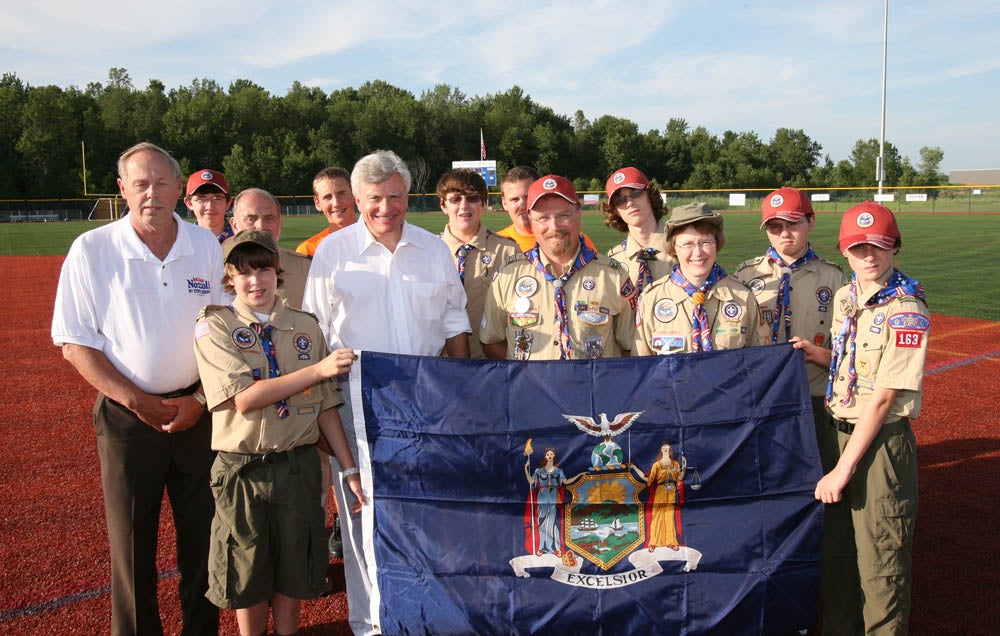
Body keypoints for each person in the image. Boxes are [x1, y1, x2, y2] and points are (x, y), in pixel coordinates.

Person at [52, 142, 222, 635]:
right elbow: (75, 343)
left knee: (204, 541)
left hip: (197, 413)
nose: (152, 194)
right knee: (131, 545)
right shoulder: (93, 248)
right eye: (141, 184)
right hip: (128, 419)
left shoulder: (205, 246)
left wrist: (197, 401)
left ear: (178, 189)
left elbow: (224, 333)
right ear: (122, 189)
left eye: (162, 182)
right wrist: (137, 400)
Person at [302, 150, 471, 636]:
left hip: (428, 405)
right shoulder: (334, 253)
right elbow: (313, 335)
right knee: (363, 523)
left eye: (395, 196)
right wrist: (321, 411)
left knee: (429, 516)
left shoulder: (433, 249)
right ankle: (370, 625)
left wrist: (459, 391)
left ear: (407, 195)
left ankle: (429, 617)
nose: (386, 207)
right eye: (375, 198)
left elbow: (454, 319)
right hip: (356, 406)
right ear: (357, 199)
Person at [193, 230, 366, 636]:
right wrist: (317, 370)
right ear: (229, 278)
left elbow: (325, 405)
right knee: (247, 573)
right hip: (244, 469)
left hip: (298, 465)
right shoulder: (215, 326)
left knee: (295, 569)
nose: (256, 281)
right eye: (245, 272)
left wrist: (348, 468)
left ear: (277, 271)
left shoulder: (305, 326)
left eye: (264, 269)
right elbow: (244, 399)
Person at [793, 202, 928, 635]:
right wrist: (820, 355)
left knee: (880, 567)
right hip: (839, 433)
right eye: (858, 248)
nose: (869, 257)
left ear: (895, 249)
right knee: (837, 560)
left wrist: (840, 470)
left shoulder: (907, 307)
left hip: (879, 448)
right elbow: (855, 368)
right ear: (844, 251)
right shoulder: (848, 295)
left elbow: (884, 397)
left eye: (879, 247)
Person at [481, 175, 636, 361]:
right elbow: (491, 341)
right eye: (543, 218)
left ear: (579, 213)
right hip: (531, 388)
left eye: (563, 215)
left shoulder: (613, 275)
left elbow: (630, 347)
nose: (553, 226)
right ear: (530, 219)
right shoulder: (508, 275)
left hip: (591, 389)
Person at [733, 186, 846, 435]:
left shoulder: (834, 278)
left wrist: (821, 354)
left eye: (793, 224)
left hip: (815, 394)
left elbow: (848, 341)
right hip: (762, 393)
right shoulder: (745, 276)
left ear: (811, 222)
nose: (784, 233)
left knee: (822, 466)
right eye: (775, 227)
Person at [634, 203, 768, 355]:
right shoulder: (651, 298)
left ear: (717, 244)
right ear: (673, 248)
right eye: (687, 244)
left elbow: (760, 360)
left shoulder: (743, 297)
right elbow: (642, 366)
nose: (697, 253)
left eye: (705, 242)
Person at [437, 168, 519, 358]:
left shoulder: (508, 251)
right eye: (455, 199)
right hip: (439, 365)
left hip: (490, 364)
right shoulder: (428, 252)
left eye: (472, 198)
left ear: (483, 203)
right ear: (443, 205)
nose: (464, 206)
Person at [229, 187, 311, 309]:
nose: (261, 226)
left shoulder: (307, 269)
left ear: (280, 223)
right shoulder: (217, 268)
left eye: (269, 218)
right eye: (251, 219)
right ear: (235, 225)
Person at [603, 167, 674, 295]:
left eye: (635, 193)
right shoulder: (614, 260)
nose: (629, 203)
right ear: (615, 211)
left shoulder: (683, 246)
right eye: (620, 200)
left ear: (650, 195)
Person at [497, 166, 597, 253]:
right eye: (515, 199)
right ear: (504, 203)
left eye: (527, 197)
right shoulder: (497, 245)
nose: (523, 205)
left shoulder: (576, 240)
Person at [630, 442, 686, 550]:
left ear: (670, 450)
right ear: (661, 450)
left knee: (669, 516)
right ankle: (653, 543)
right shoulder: (657, 465)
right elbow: (648, 480)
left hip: (671, 491)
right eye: (663, 448)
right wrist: (635, 468)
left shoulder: (675, 464)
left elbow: (679, 478)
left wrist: (684, 465)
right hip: (660, 491)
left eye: (667, 448)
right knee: (657, 517)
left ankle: (671, 542)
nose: (665, 450)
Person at [296, 166, 357, 257]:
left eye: (341, 194)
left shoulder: (378, 238)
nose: (336, 203)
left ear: (354, 194)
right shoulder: (308, 250)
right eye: (327, 197)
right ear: (317, 203)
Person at [185, 168, 234, 242]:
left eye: (217, 198)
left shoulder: (242, 240)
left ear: (228, 203)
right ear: (189, 203)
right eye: (201, 199)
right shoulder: (181, 240)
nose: (210, 206)